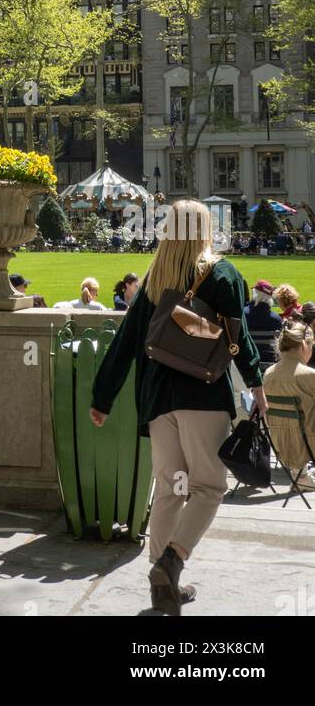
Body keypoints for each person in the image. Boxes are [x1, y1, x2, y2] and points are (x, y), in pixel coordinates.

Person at [90, 200, 265, 616]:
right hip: (203, 396)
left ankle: (162, 586)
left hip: (156, 398)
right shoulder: (222, 273)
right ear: (205, 228)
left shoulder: (154, 278)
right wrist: (256, 382)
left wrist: (103, 396)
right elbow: (238, 339)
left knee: (171, 488)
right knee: (209, 487)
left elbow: (127, 341)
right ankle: (173, 561)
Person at [263, 322, 315, 489]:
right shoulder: (308, 375)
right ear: (303, 345)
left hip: (280, 443)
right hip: (308, 444)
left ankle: (301, 476)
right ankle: (302, 476)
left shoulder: (268, 373)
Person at [244, 280, 284, 368]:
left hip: (246, 361)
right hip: (269, 363)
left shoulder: (243, 314)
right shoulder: (276, 319)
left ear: (254, 293)